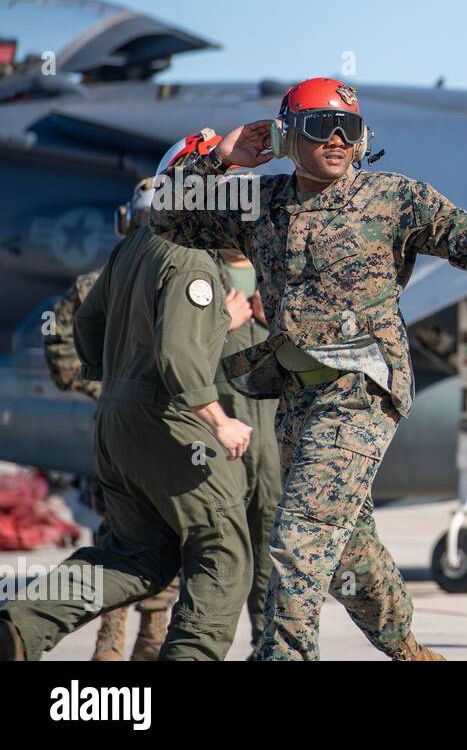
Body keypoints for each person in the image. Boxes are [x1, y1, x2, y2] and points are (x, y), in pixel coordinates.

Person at [150, 77, 467, 661]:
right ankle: (407, 648)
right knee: (348, 549)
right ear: (286, 135)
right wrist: (221, 160)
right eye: (324, 126)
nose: (340, 139)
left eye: (351, 128)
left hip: (363, 386)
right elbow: (167, 217)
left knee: (299, 539)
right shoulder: (260, 204)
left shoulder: (395, 198)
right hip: (297, 393)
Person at [0, 136, 255, 661]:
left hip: (116, 424)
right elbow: (179, 356)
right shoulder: (191, 260)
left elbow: (89, 322)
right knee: (223, 557)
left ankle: (19, 629)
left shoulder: (134, 246)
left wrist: (119, 380)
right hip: (174, 426)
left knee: (135, 555)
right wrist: (219, 419)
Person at [214, 248, 282, 651]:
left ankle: (266, 646)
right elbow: (177, 347)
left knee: (271, 548)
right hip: (225, 438)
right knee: (219, 551)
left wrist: (275, 318)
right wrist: (224, 322)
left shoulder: (273, 271)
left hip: (271, 439)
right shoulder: (201, 272)